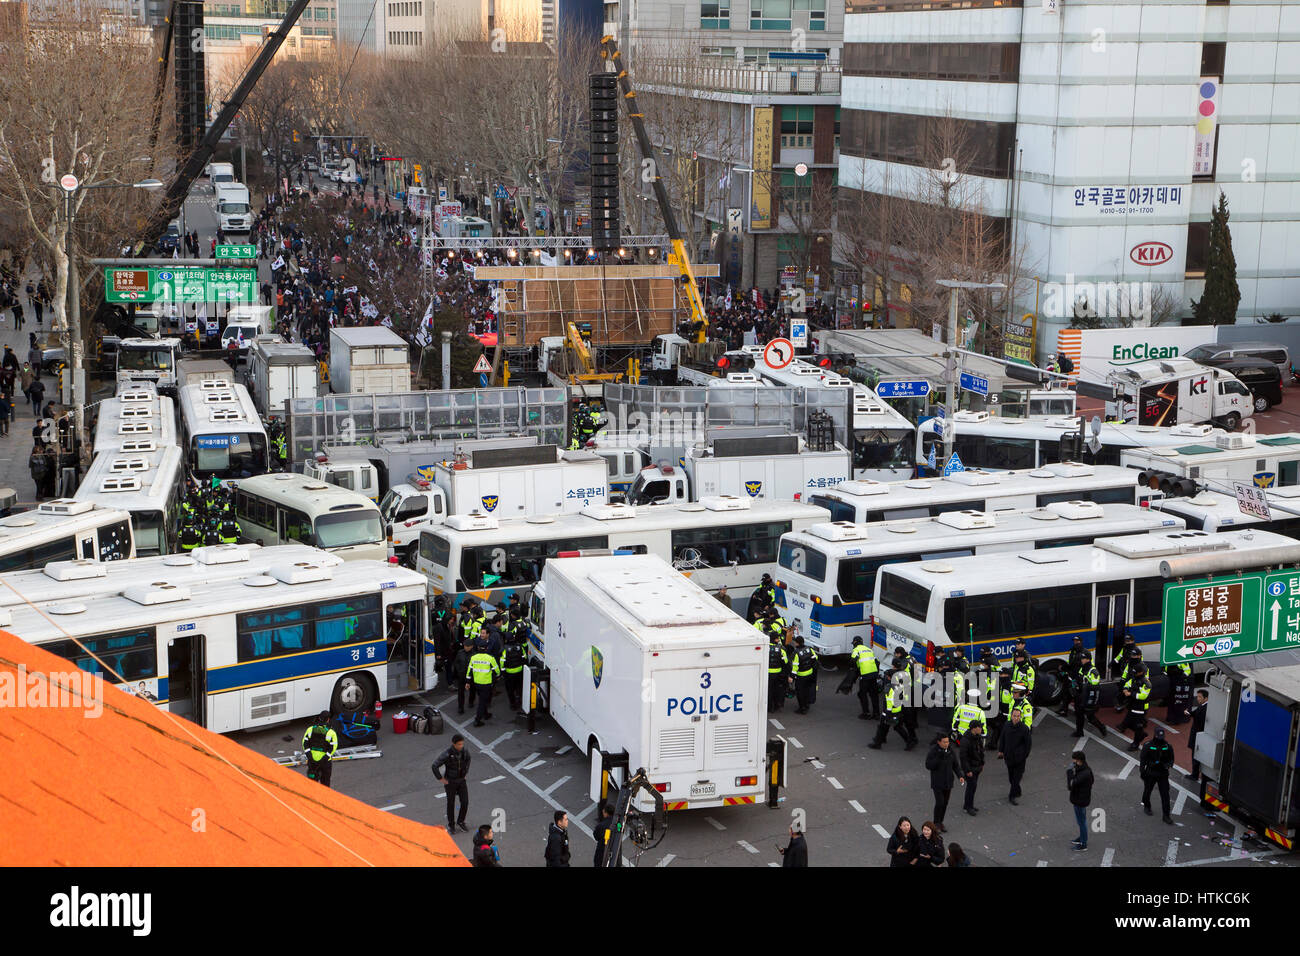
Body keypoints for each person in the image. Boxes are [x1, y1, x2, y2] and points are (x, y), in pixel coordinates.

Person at [869, 666, 917, 750]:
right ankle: (879, 741)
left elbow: (889, 702)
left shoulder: (890, 688)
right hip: (898, 711)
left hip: (890, 712)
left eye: (887, 676)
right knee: (892, 727)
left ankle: (878, 743)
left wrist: (887, 714)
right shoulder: (901, 685)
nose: (886, 677)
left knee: (889, 726)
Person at [431, 734, 471, 832]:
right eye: (459, 744)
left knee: (465, 802)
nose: (461, 746)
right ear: (453, 744)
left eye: (462, 744)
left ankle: (461, 821)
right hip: (451, 782)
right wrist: (441, 779)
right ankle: (451, 824)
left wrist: (465, 773)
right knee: (451, 803)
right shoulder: (447, 754)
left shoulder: (465, 752)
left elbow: (468, 760)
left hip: (461, 781)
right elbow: (434, 765)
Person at [925, 731, 961, 831]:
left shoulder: (950, 751)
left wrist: (960, 776)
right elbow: (928, 765)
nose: (947, 744)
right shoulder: (934, 751)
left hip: (948, 781)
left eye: (948, 742)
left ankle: (941, 822)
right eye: (944, 742)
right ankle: (936, 823)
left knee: (945, 803)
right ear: (939, 742)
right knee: (940, 802)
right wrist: (939, 758)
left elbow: (955, 765)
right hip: (937, 782)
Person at [1140, 728, 1175, 823]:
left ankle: (1166, 816)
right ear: (1155, 735)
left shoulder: (1167, 746)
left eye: (1161, 737)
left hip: (1163, 773)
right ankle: (1147, 806)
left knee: (1165, 795)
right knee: (1147, 791)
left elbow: (1172, 759)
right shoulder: (1148, 745)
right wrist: (1142, 772)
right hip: (1151, 772)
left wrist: (1168, 765)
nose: (1160, 738)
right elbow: (1143, 760)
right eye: (1158, 736)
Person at [998, 706, 1032, 805]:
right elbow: (1002, 738)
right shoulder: (1007, 725)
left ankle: (1012, 796)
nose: (1016, 718)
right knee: (1011, 777)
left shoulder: (1024, 729)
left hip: (1019, 759)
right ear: (1011, 716)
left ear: (1020, 717)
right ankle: (1017, 789)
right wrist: (1001, 750)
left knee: (1016, 778)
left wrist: (1024, 756)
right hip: (1009, 757)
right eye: (1014, 716)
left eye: (1018, 716)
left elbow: (1028, 744)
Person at [1072, 651, 1109, 738]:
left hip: (1088, 697)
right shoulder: (1082, 668)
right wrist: (1075, 684)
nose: (1081, 660)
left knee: (1090, 717)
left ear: (1088, 659)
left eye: (1083, 658)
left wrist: (1090, 702)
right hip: (1080, 695)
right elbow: (1079, 679)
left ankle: (1102, 728)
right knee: (1079, 715)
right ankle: (1079, 732)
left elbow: (1095, 688)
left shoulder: (1093, 672)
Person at [1119, 663, 1152, 751]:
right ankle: (1141, 734)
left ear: (1141, 672)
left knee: (1138, 726)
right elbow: (1127, 683)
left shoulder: (1146, 683)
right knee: (1128, 724)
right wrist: (1125, 689)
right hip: (1132, 705)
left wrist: (1130, 694)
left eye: (1135, 672)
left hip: (1141, 708)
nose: (1134, 673)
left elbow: (1143, 696)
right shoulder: (1134, 679)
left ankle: (1135, 744)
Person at [1065, 750, 1094, 851]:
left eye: (1074, 761)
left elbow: (1071, 785)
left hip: (1079, 801)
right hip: (1081, 799)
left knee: (1081, 822)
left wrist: (1069, 773)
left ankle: (1083, 844)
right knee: (1081, 821)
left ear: (1079, 761)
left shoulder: (1084, 773)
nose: (1073, 763)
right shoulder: (1086, 769)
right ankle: (1082, 838)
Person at [300, 711, 338, 787]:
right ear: (328, 720)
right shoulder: (331, 732)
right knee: (325, 784)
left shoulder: (310, 729)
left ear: (319, 718)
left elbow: (304, 743)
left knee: (312, 784)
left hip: (312, 762)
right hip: (325, 763)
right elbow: (333, 747)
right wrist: (325, 758)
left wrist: (309, 756)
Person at [467, 642, 501, 726]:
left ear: (478, 648)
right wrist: (498, 676)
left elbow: (469, 671)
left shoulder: (473, 658)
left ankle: (485, 714)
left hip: (477, 683)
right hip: (486, 683)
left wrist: (467, 682)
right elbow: (497, 671)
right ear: (487, 648)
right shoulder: (490, 658)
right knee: (482, 702)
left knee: (483, 699)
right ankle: (477, 720)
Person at [959, 719, 985, 815]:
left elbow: (980, 751)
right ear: (974, 728)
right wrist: (967, 770)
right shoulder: (966, 740)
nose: (981, 728)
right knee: (971, 787)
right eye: (980, 727)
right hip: (971, 769)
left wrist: (982, 763)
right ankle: (968, 807)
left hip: (977, 767)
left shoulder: (977, 737)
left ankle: (969, 805)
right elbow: (963, 757)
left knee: (973, 787)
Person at [850, 636, 880, 719]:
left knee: (862, 694)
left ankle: (866, 713)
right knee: (874, 694)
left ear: (855, 642)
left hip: (865, 675)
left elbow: (853, 660)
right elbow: (877, 662)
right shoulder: (869, 649)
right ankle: (876, 713)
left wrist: (854, 671)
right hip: (873, 675)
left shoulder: (856, 650)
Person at [789, 636, 818, 714]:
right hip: (810, 674)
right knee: (807, 690)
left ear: (797, 643)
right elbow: (815, 658)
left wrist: (791, 677)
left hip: (801, 676)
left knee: (800, 692)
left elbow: (795, 667)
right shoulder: (809, 649)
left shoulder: (796, 653)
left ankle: (802, 708)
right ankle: (807, 705)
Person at [1186, 689, 1209, 781]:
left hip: (1198, 735)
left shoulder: (1205, 708)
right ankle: (1195, 773)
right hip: (1197, 734)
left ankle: (1195, 774)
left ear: (1206, 698)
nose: (1198, 698)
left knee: (1196, 755)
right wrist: (1190, 713)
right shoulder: (1202, 706)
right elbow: (1195, 714)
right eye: (1198, 696)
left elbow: (1200, 720)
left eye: (1200, 697)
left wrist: (1192, 714)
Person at [499, 637, 526, 711]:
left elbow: (502, 662)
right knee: (519, 687)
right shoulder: (520, 647)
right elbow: (524, 657)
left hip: (509, 673)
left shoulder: (504, 649)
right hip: (519, 671)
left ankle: (512, 704)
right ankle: (518, 699)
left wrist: (503, 672)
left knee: (510, 690)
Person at [767, 633, 789, 713]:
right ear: (774, 639)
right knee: (777, 690)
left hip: (767, 674)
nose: (779, 640)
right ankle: (776, 705)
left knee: (769, 691)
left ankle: (769, 707)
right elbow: (786, 662)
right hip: (777, 674)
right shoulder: (781, 649)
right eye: (777, 638)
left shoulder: (765, 647)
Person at [452, 640, 474, 715]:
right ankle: (460, 707)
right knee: (461, 692)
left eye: (467, 646)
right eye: (464, 646)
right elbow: (456, 662)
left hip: (471, 677)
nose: (465, 647)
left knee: (472, 690)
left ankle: (471, 702)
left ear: (471, 646)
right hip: (461, 675)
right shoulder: (460, 652)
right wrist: (459, 671)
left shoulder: (474, 654)